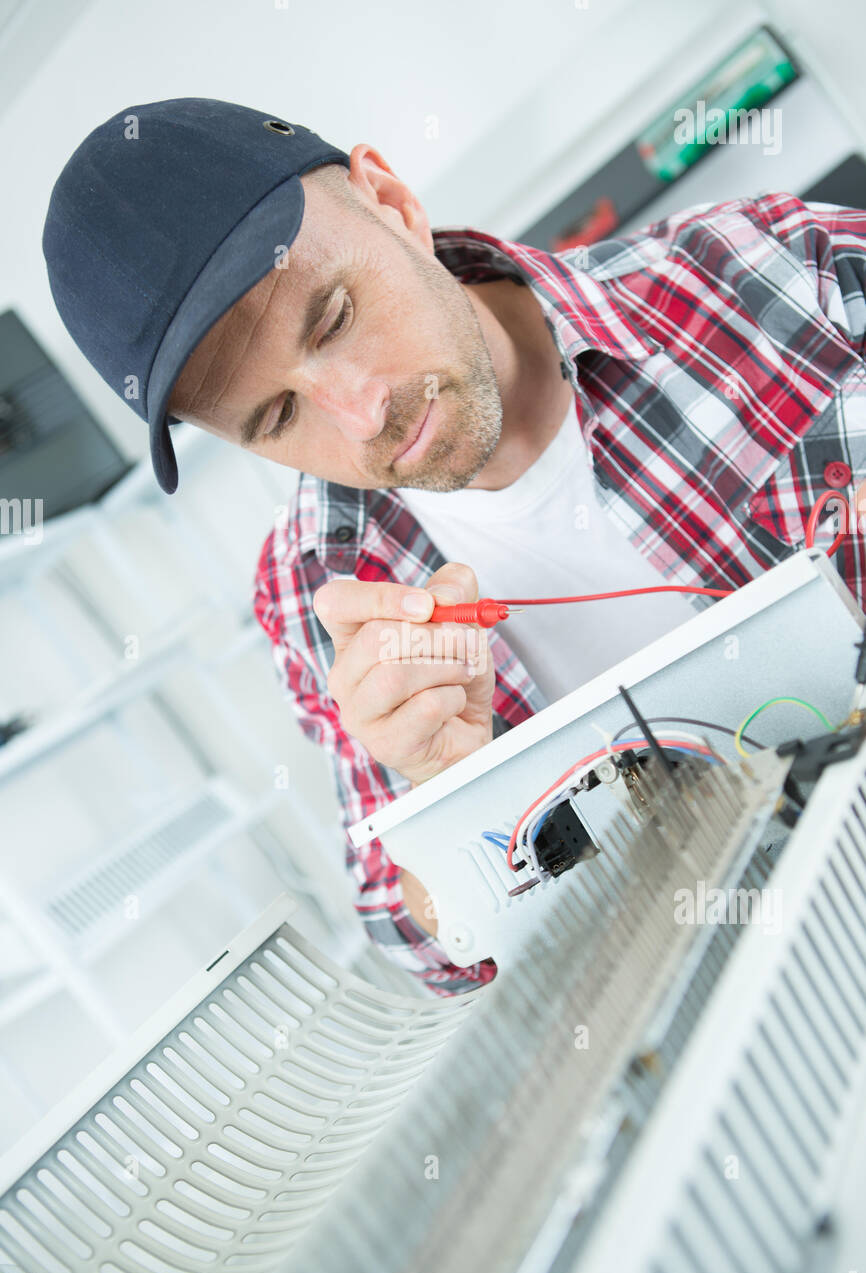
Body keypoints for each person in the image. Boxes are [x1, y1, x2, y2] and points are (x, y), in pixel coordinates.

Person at [43, 97, 866, 994]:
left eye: (333, 318)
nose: (364, 416)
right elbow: (433, 954)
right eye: (278, 415)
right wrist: (445, 793)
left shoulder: (774, 272)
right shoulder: (319, 588)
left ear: (393, 203)